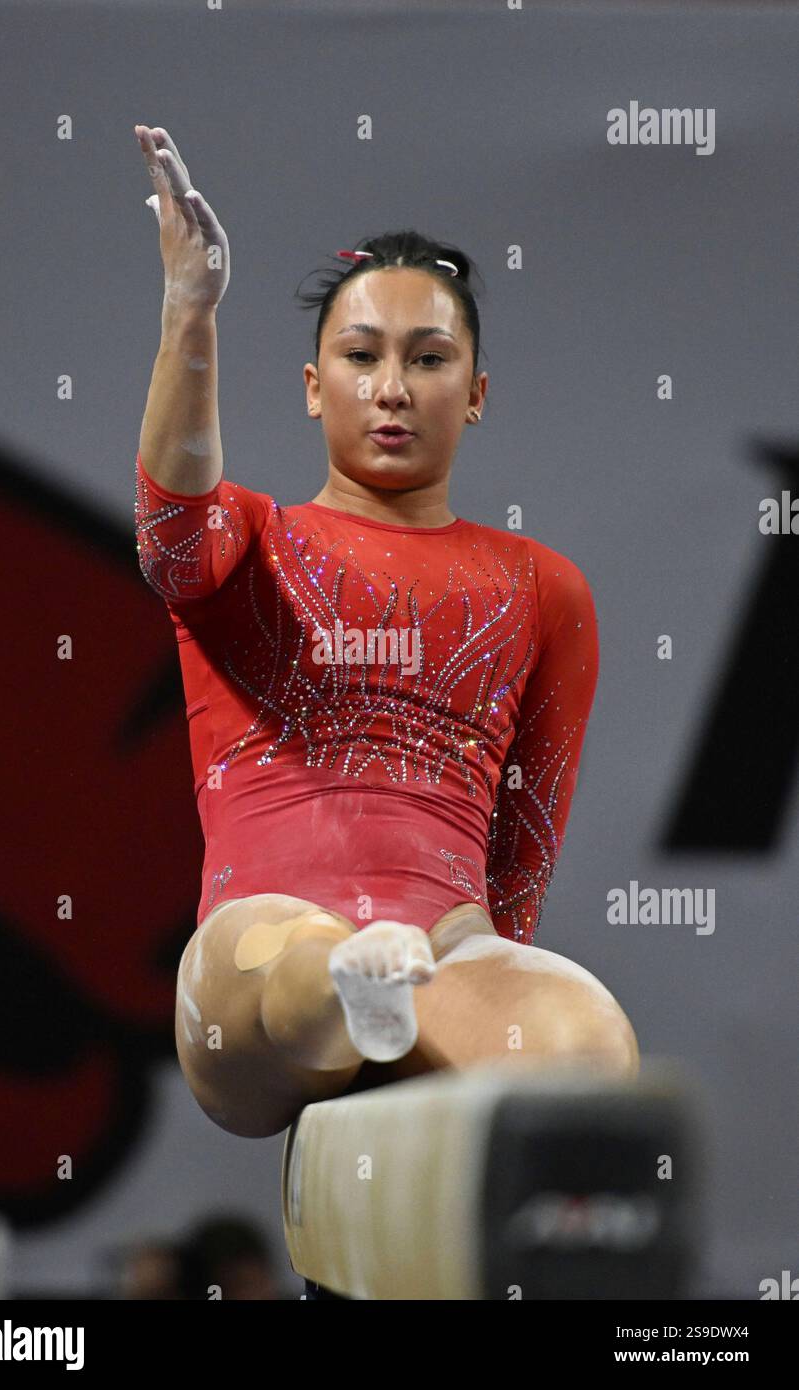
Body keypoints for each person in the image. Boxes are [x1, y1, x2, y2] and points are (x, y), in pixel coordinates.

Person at [132, 124, 640, 1143]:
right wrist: (191, 310)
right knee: (286, 965)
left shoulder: (540, 588)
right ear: (315, 386)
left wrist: (485, 1003)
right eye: (360, 357)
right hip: (265, 949)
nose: (393, 387)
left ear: (476, 394)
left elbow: (522, 840)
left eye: (428, 358)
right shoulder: (251, 539)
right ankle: (341, 992)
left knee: (589, 1043)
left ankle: (383, 1008)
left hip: (435, 949)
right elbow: (168, 533)